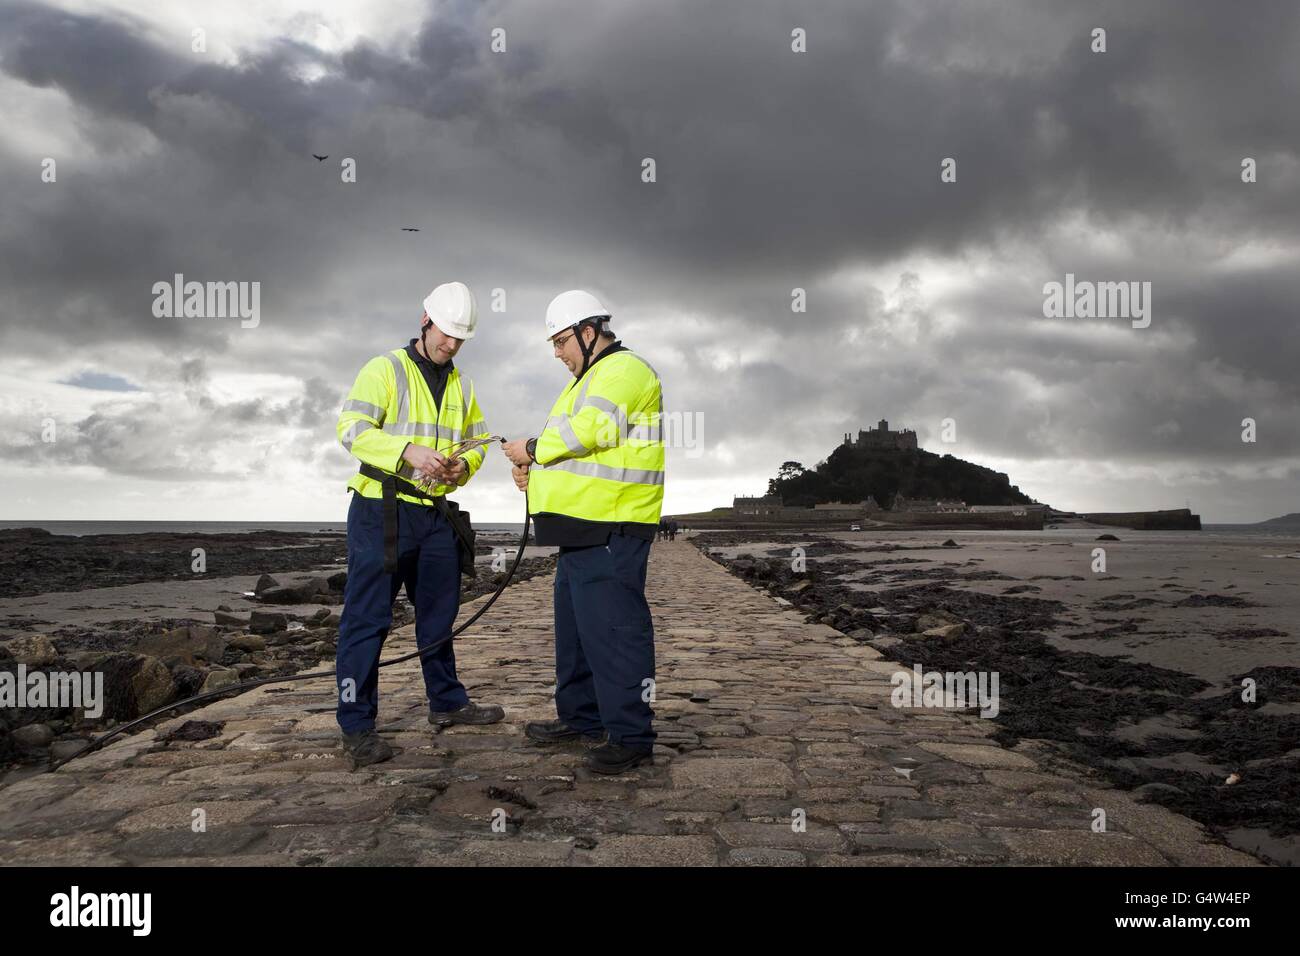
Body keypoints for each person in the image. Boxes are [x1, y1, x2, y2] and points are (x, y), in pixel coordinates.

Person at [334, 281, 503, 767]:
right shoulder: (383, 368)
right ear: (425, 321)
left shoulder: (463, 385)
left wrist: (459, 470)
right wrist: (406, 451)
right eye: (446, 333)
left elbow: (477, 445)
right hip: (380, 510)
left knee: (438, 616)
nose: (451, 344)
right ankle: (357, 724)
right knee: (367, 620)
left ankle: (447, 703)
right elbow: (351, 430)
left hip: (435, 514)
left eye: (460, 338)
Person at [503, 289, 664, 774]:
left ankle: (631, 737)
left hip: (613, 527)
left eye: (560, 342)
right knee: (575, 635)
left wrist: (530, 448)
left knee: (614, 633)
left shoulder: (625, 370)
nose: (557, 354)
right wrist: (533, 472)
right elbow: (575, 452)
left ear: (588, 332)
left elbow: (589, 431)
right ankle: (582, 718)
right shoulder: (587, 378)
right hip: (578, 532)